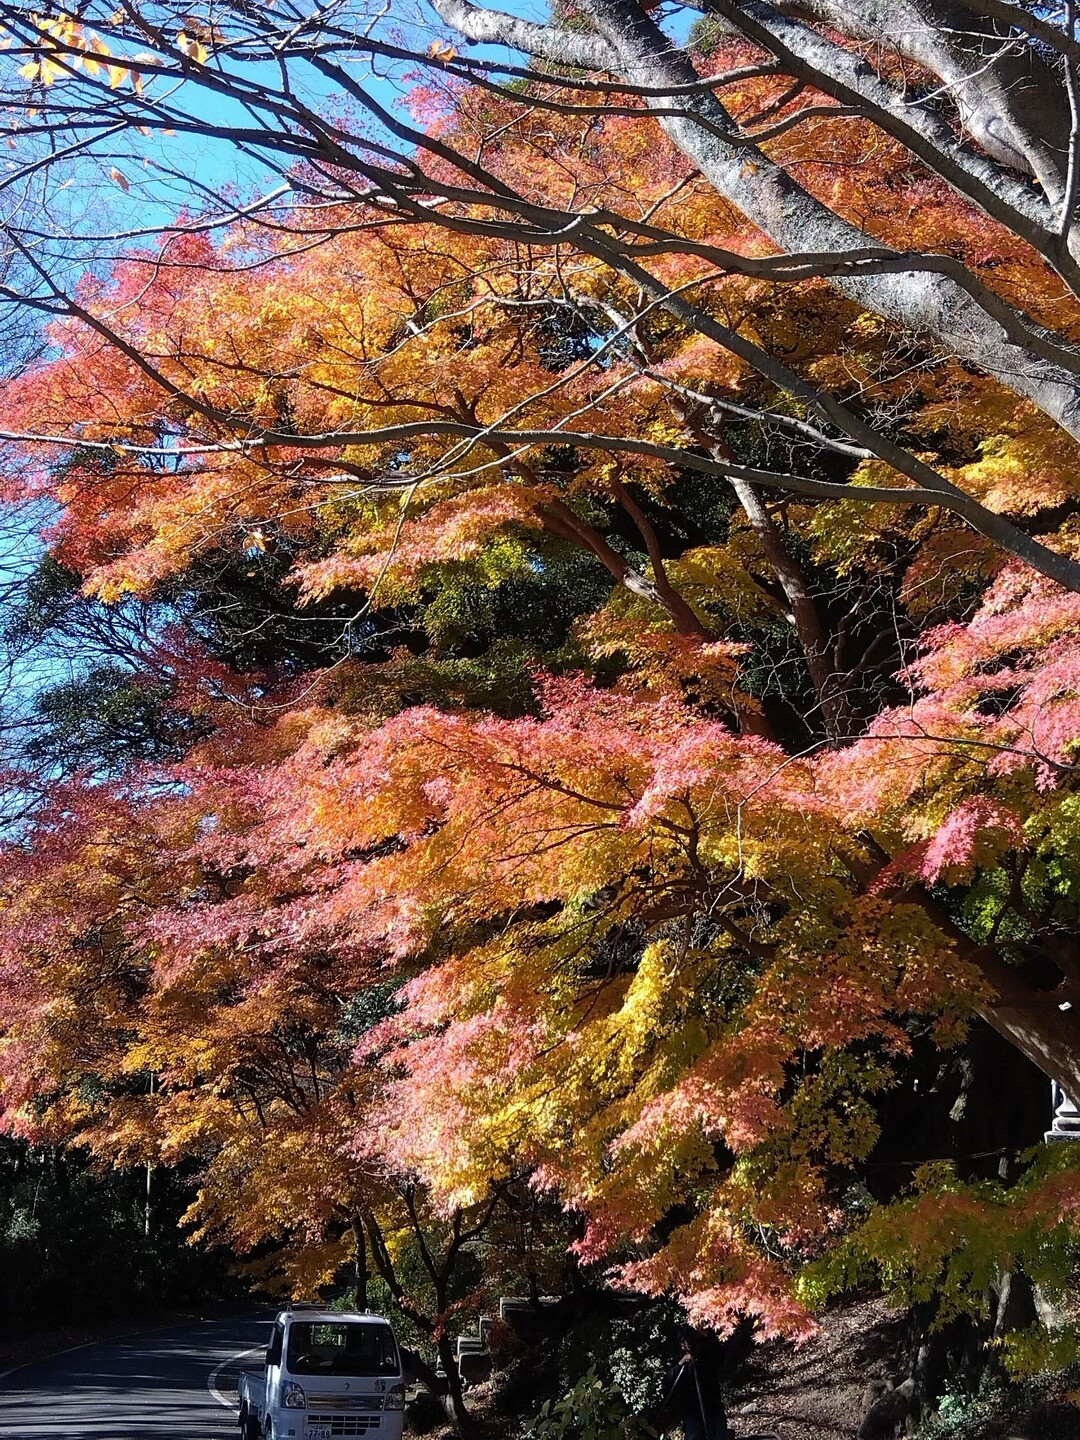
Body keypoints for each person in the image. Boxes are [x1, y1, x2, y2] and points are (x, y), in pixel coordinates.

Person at [662, 1330, 731, 1440]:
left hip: (711, 1403)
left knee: (718, 1433)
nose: (689, 1343)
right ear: (681, 1344)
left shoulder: (705, 1352)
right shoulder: (679, 1359)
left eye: (691, 1340)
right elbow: (669, 1380)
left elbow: (719, 1359)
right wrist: (681, 1363)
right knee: (694, 1436)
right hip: (691, 1408)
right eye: (686, 1341)